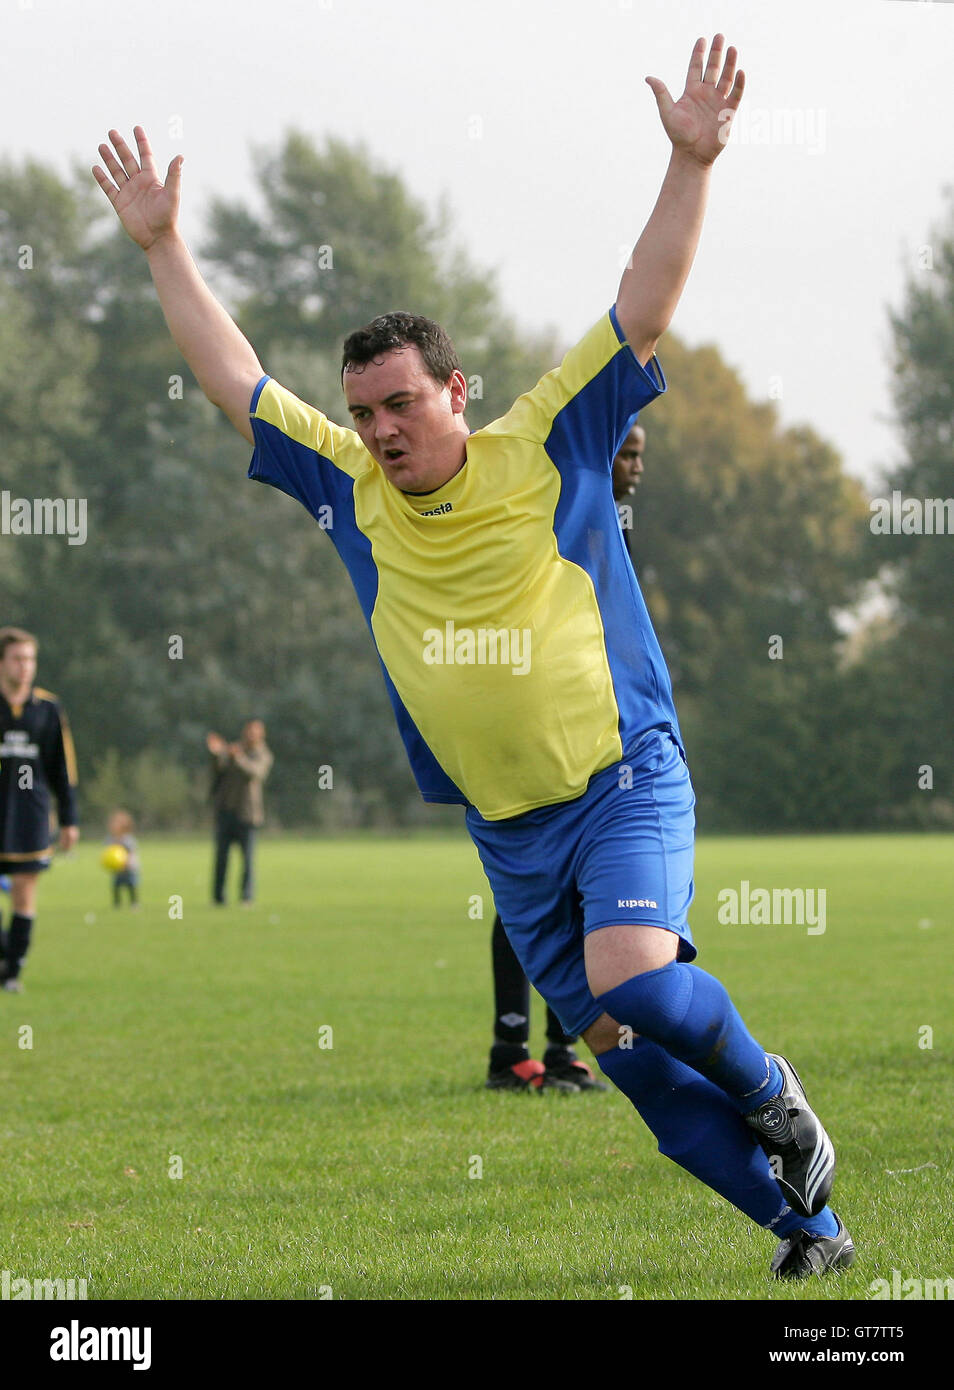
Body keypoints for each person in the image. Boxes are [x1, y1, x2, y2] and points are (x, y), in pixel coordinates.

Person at [94, 35, 853, 1279]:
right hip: (509, 831)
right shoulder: (348, 490)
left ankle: (777, 1090)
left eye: (402, 402)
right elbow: (237, 381)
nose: (381, 428)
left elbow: (643, 302)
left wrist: (691, 161)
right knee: (649, 1088)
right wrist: (163, 246)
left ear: (457, 389)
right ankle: (809, 1233)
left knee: (643, 985)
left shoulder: (549, 435)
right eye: (365, 411)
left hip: (620, 777)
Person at [486, 425, 645, 1093]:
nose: (635, 466)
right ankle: (509, 1050)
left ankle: (558, 1048)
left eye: (640, 454)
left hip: (595, 733)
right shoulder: (548, 512)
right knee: (527, 895)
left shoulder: (616, 523)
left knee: (579, 897)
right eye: (625, 452)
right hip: (536, 729)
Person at [0, 627, 79, 992]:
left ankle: (12, 972)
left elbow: (62, 767)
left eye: (30, 659)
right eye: (17, 658)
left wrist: (69, 819)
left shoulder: (48, 708)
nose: (25, 667)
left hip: (30, 813)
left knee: (24, 891)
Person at [207, 720, 273, 905]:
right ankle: (218, 898)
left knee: (248, 860)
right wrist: (216, 753)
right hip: (226, 810)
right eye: (248, 731)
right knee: (221, 858)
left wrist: (238, 758)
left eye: (255, 732)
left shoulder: (264, 754)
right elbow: (218, 770)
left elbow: (255, 773)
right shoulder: (234, 749)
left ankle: (247, 897)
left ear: (261, 735)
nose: (250, 735)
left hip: (248, 814)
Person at [106, 808, 140, 908]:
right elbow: (108, 852)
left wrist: (128, 862)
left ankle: (134, 903)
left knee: (131, 886)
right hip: (117, 869)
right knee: (116, 886)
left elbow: (131, 853)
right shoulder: (110, 839)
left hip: (129, 868)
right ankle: (117, 904)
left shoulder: (128, 840)